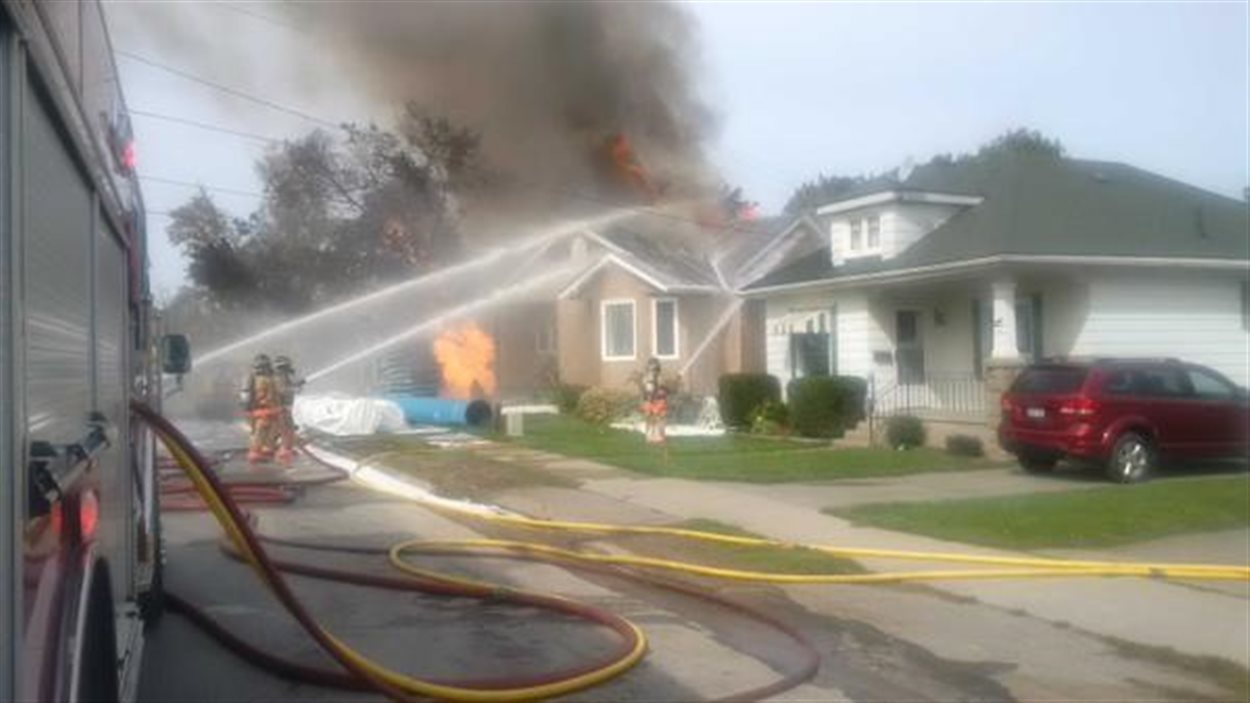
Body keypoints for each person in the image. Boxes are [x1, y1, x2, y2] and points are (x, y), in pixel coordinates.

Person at [242, 354, 280, 465]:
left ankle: (266, 448)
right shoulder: (255, 378)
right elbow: (248, 394)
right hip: (262, 408)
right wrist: (248, 407)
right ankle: (255, 452)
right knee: (260, 431)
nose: (263, 368)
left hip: (269, 408)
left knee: (270, 429)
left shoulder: (268, 378)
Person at [271, 355, 305, 463]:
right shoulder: (279, 377)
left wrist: (297, 385)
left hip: (284, 408)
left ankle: (287, 448)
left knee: (287, 428)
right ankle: (284, 450)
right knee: (285, 429)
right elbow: (283, 390)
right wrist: (295, 387)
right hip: (280, 408)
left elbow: (293, 390)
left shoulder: (283, 377)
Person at [640, 357, 669, 448]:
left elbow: (665, 389)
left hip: (660, 400)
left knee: (660, 417)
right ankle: (649, 436)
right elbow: (646, 389)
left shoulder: (661, 378)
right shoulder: (646, 378)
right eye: (651, 369)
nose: (653, 371)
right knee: (649, 417)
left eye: (655, 369)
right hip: (649, 400)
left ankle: (660, 435)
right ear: (648, 368)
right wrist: (650, 386)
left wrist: (662, 388)